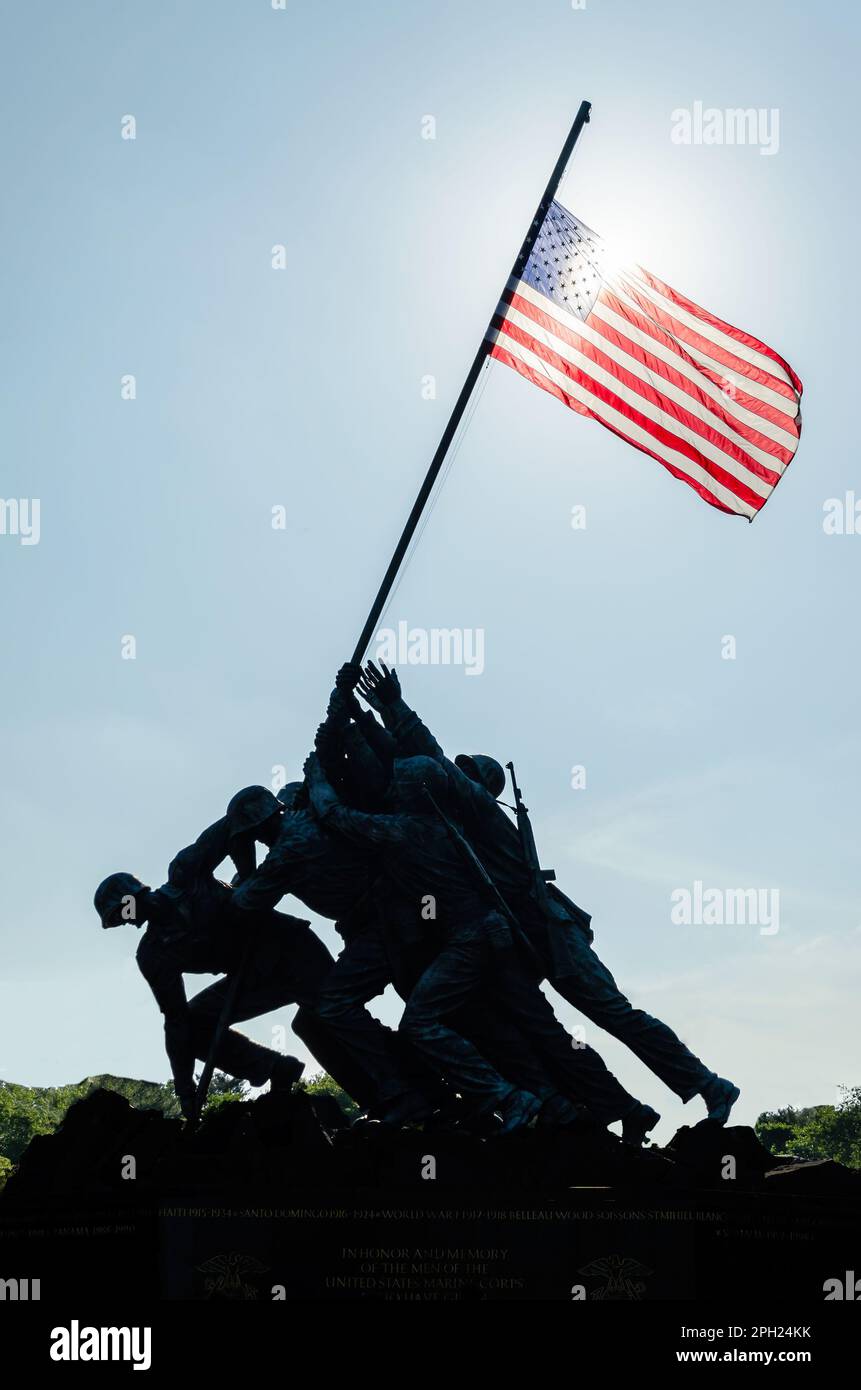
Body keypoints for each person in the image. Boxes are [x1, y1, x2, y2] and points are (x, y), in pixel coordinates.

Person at [355, 661, 740, 1136]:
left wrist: (394, 710)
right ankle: (598, 1105)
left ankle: (709, 1084)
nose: (457, 775)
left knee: (614, 1013)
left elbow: (433, 761)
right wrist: (374, 719)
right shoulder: (457, 824)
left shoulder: (485, 816)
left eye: (467, 773)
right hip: (517, 936)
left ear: (479, 785)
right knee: (546, 1030)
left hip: (549, 928)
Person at [304, 750, 637, 1135]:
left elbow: (339, 818)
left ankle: (582, 1102)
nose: (459, 778)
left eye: (468, 775)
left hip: (482, 942)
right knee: (504, 1029)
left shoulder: (433, 826)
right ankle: (558, 1102)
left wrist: (317, 775)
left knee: (529, 1028)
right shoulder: (447, 822)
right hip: (473, 940)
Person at [93, 813, 370, 1118]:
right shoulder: (154, 955)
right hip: (255, 976)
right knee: (195, 1026)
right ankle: (275, 1068)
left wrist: (249, 877)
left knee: (322, 1024)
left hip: (293, 952)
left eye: (121, 914)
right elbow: (176, 1021)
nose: (124, 923)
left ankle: (385, 1099)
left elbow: (236, 825)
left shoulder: (186, 874)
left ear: (131, 896)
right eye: (117, 921)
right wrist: (184, 1091)